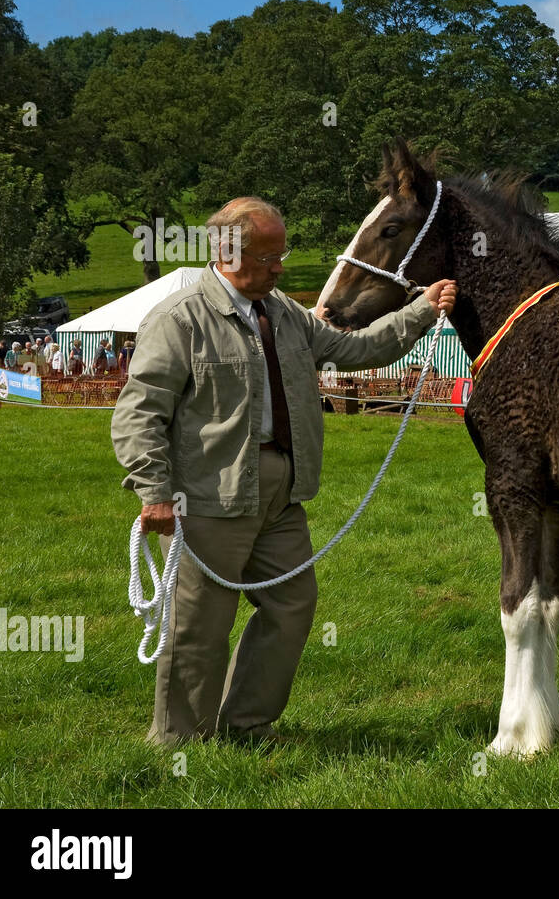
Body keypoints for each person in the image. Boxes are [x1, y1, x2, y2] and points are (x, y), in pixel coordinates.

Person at [112, 196, 457, 746]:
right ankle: (179, 742)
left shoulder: (285, 312)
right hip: (209, 497)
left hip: (282, 492)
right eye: (270, 256)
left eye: (282, 253)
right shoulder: (179, 320)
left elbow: (356, 349)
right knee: (200, 625)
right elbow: (139, 411)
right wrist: (154, 491)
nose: (281, 267)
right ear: (226, 252)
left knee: (293, 606)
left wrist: (421, 310)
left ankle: (246, 724)